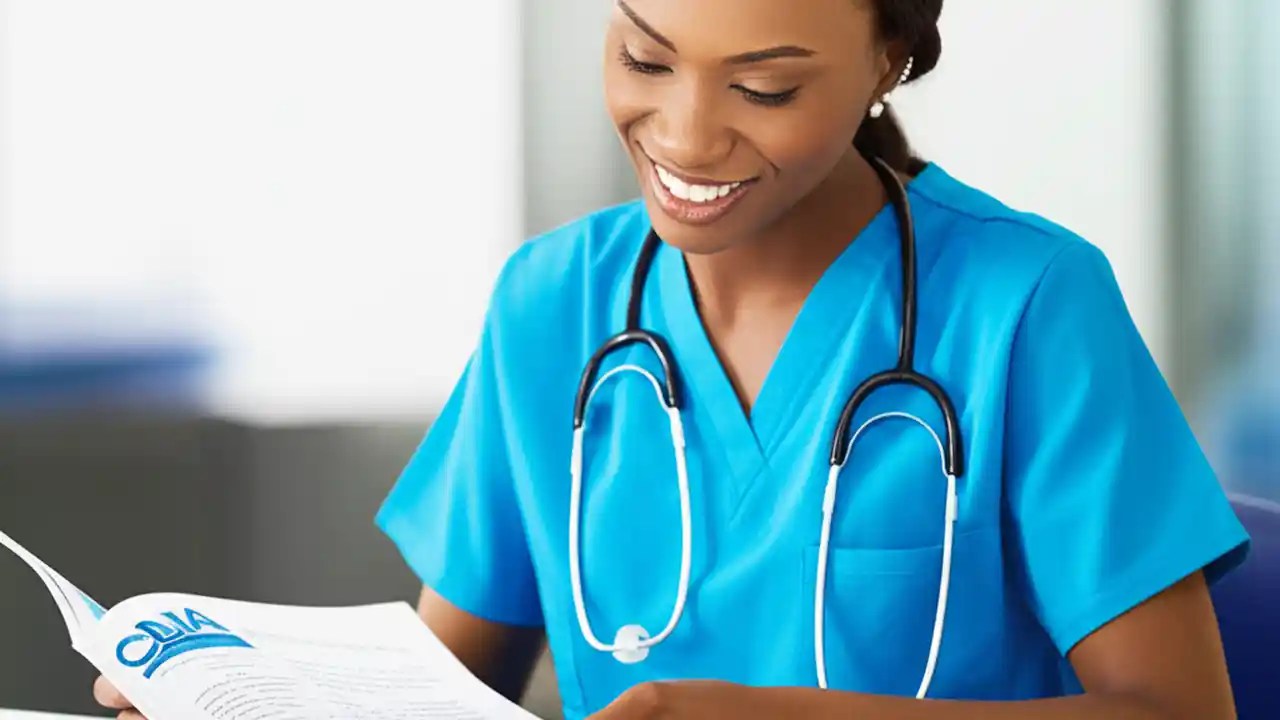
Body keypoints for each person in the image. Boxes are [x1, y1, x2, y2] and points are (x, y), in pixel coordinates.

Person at [96, 0, 1251, 718]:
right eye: (644, 59)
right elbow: (444, 692)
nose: (687, 137)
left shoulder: (1026, 302)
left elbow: (1174, 713)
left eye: (763, 87)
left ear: (888, 60)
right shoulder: (552, 304)